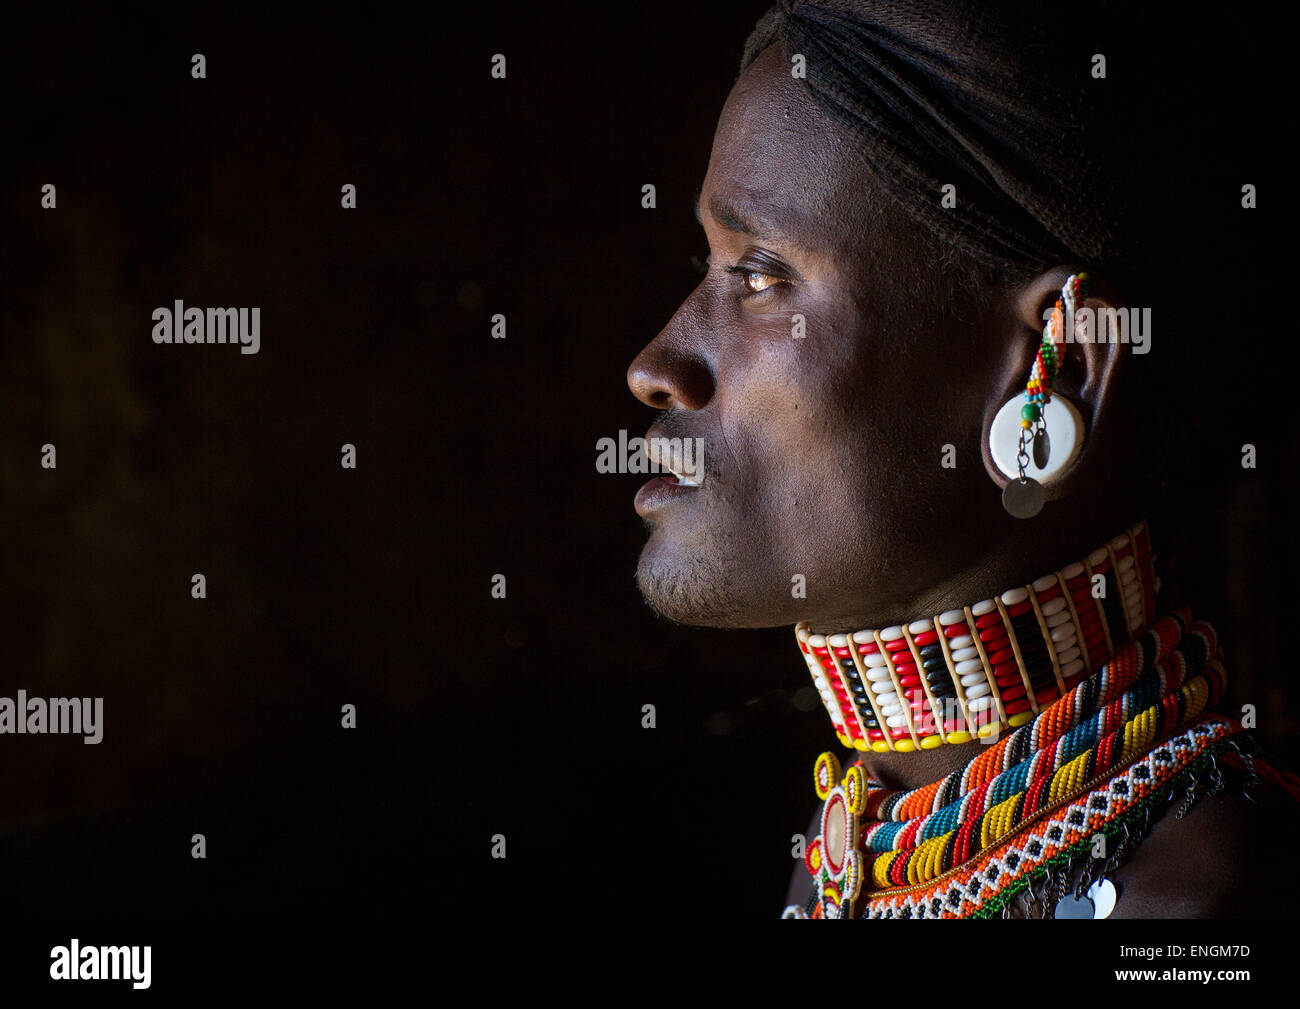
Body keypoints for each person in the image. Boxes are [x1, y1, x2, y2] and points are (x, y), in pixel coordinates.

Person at [626, 0, 1299, 918]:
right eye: (708, 265)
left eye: (761, 275)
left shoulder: (1204, 916)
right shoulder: (844, 863)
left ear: (1053, 367)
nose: (657, 367)